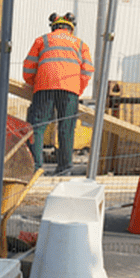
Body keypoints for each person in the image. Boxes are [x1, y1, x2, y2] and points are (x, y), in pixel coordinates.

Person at [21, 12, 93, 174]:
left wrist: (32, 83)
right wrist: (78, 89)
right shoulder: (80, 44)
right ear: (70, 28)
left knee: (37, 127)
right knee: (66, 128)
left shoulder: (42, 40)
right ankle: (64, 168)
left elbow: (28, 67)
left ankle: (35, 167)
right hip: (69, 90)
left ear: (53, 27)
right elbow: (87, 70)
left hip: (44, 87)